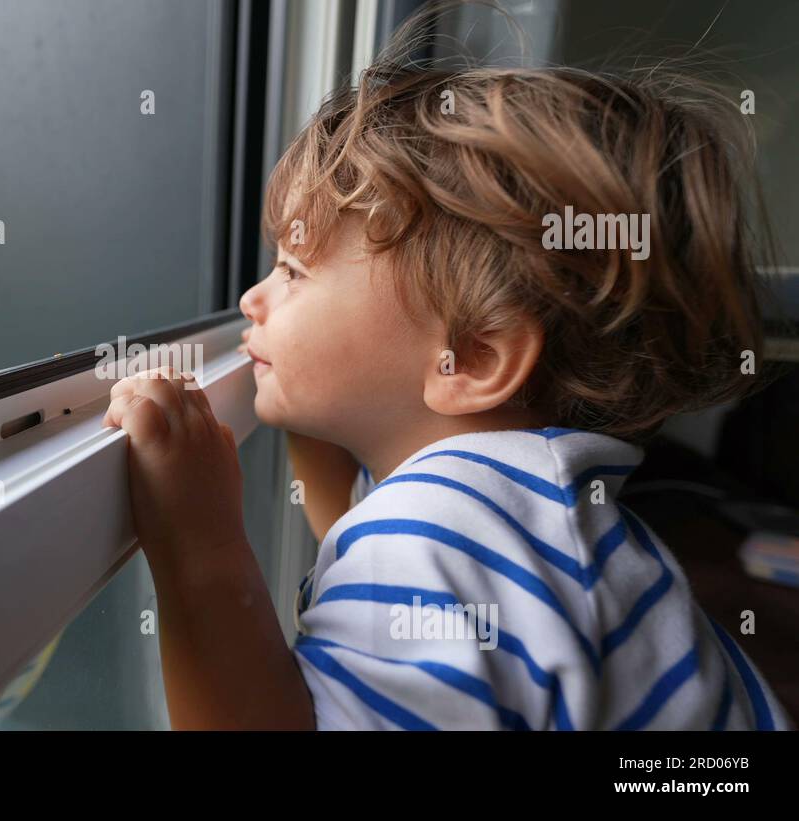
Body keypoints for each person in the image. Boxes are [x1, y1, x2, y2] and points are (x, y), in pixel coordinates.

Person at [100, 16, 791, 730]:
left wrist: (200, 546)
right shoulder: (515, 501)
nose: (253, 299)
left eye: (294, 269)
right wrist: (307, 411)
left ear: (476, 357)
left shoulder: (437, 534)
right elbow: (356, 525)